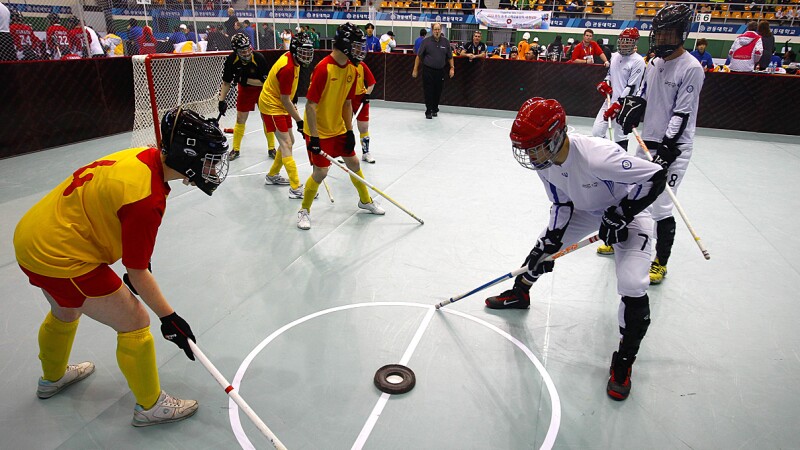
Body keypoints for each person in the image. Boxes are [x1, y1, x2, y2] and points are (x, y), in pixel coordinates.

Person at [13, 107, 229, 426]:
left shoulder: (143, 157)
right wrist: (170, 319)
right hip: (59, 255)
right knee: (136, 321)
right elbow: (137, 271)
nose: (213, 168)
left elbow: (127, 237)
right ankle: (151, 406)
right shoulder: (147, 200)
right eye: (209, 160)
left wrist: (138, 269)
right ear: (187, 156)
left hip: (34, 233)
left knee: (65, 310)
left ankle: (52, 378)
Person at [484, 97, 675, 402]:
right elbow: (560, 202)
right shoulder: (544, 161)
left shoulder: (598, 156)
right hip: (585, 211)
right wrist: (549, 244)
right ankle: (520, 293)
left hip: (630, 213)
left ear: (557, 135)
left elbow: (655, 176)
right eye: (527, 148)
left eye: (536, 147)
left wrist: (623, 213)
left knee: (631, 283)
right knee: (542, 247)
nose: (531, 156)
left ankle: (623, 362)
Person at [611, 4, 704, 284]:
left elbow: (682, 113)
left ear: (681, 34)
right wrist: (631, 112)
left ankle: (660, 262)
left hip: (674, 148)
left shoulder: (692, 68)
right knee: (634, 194)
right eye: (659, 33)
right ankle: (627, 243)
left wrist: (666, 151)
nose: (661, 39)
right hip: (647, 141)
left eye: (668, 34)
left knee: (661, 205)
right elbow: (644, 97)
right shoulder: (654, 63)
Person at [297, 22, 385, 230]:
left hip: (337, 128)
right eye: (356, 46)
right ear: (344, 45)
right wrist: (315, 138)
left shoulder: (353, 70)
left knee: (354, 163)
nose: (360, 51)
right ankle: (304, 210)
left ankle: (365, 200)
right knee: (321, 173)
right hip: (318, 130)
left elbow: (347, 103)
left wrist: (348, 130)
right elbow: (310, 106)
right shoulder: (323, 69)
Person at [258, 32, 314, 198]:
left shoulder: (293, 60)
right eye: (303, 51)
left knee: (290, 141)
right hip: (272, 106)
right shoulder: (288, 67)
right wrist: (300, 121)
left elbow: (287, 96)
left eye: (309, 52)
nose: (307, 55)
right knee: (286, 143)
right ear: (295, 50)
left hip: (280, 104)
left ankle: (272, 175)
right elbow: (284, 99)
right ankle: (296, 187)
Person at [217, 33, 270, 161]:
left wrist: (246, 80)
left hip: (262, 90)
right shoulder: (231, 60)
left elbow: (266, 82)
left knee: (266, 117)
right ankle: (236, 149)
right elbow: (226, 82)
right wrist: (221, 101)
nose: (246, 53)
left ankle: (272, 147)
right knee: (240, 118)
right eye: (243, 51)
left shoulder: (259, 58)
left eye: (248, 49)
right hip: (245, 90)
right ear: (236, 51)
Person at [592, 28, 645, 150]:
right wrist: (605, 84)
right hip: (609, 101)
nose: (623, 44)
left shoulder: (638, 61)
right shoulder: (615, 56)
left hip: (625, 104)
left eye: (627, 41)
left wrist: (619, 103)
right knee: (597, 132)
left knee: (620, 137)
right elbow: (609, 75)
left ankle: (621, 160)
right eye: (622, 41)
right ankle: (610, 153)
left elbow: (632, 86)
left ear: (634, 43)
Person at [412, 23, 454, 119]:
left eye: (439, 29)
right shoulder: (426, 41)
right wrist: (415, 69)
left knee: (438, 91)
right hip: (428, 70)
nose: (437, 31)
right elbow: (419, 56)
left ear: (441, 30)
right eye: (435, 29)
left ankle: (435, 108)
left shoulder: (446, 42)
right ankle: (428, 110)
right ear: (432, 30)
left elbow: (450, 57)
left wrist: (452, 68)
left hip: (440, 71)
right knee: (428, 91)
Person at [352, 59, 377, 163]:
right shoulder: (343, 65)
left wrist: (366, 95)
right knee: (345, 126)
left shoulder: (361, 65)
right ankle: (347, 153)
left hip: (360, 99)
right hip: (346, 99)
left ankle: (365, 152)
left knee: (363, 127)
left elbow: (372, 82)